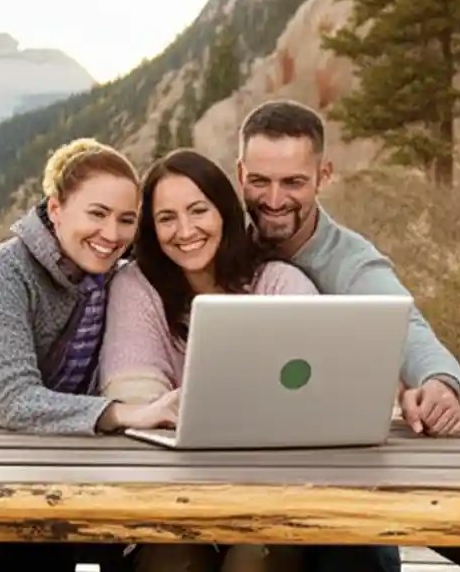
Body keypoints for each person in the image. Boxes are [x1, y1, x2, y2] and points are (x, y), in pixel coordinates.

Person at [0, 137, 177, 572]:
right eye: (96, 214)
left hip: (32, 478)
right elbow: (15, 401)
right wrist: (126, 413)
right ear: (55, 209)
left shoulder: (113, 280)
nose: (111, 234)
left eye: (126, 220)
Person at [235, 99, 460, 572]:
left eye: (294, 182)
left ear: (323, 176)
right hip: (225, 473)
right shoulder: (212, 234)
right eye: (260, 180)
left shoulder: (350, 262)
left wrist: (440, 383)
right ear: (240, 173)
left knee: (360, 555)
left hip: (330, 480)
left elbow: (410, 330)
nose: (274, 198)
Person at [98, 148, 313, 572]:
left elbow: (314, 392)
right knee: (177, 560)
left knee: (254, 562)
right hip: (166, 501)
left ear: (224, 213)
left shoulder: (278, 282)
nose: (185, 230)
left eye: (198, 210)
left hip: (270, 499)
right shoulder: (136, 286)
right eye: (166, 218)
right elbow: (136, 398)